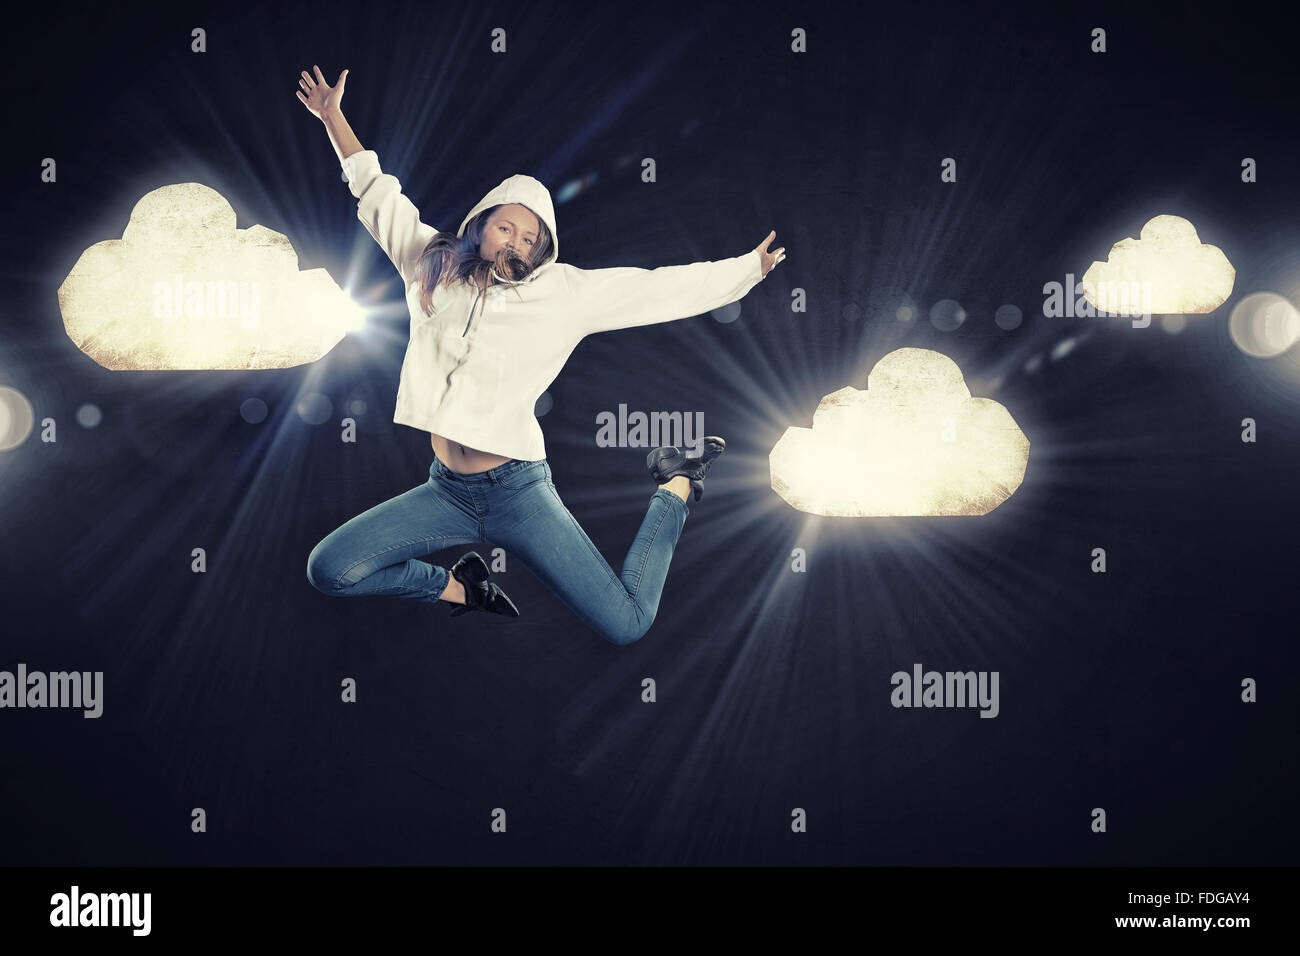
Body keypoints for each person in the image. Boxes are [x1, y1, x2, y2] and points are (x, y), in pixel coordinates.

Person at [298, 66, 787, 644]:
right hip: (446, 491)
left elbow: (657, 289)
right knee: (330, 569)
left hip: (518, 493)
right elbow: (379, 194)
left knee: (627, 622)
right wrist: (333, 117)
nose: (517, 243)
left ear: (542, 251)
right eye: (506, 229)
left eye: (531, 240)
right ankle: (463, 588)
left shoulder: (564, 295)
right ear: (480, 227)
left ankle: (677, 483)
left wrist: (744, 272)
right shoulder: (431, 266)